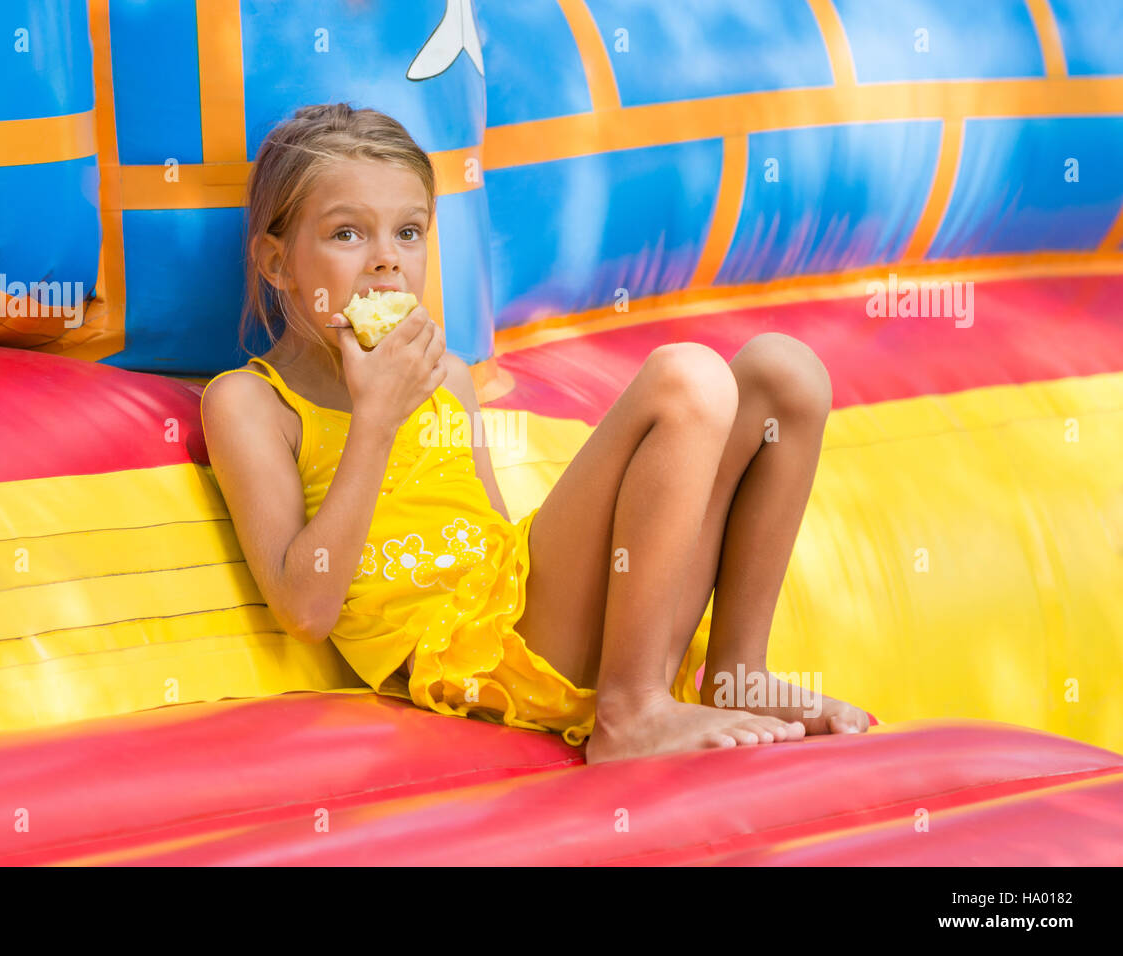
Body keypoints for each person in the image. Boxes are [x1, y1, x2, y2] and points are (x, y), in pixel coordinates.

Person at [201, 102, 869, 764]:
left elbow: (498, 540)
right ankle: (631, 712)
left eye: (409, 233)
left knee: (787, 373)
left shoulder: (449, 381)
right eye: (347, 234)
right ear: (276, 262)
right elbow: (307, 611)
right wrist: (375, 417)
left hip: (547, 622)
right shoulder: (252, 404)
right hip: (470, 651)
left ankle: (733, 678)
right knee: (687, 376)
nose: (387, 263)